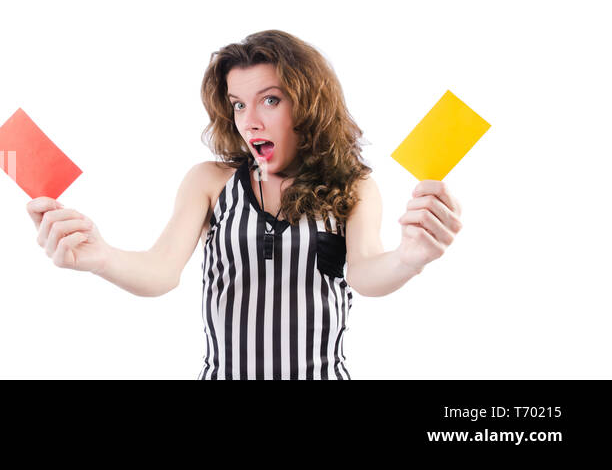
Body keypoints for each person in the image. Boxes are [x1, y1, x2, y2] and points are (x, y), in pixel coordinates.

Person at [25, 30, 462, 379]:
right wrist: (102, 258)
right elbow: (160, 271)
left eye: (270, 100)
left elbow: (366, 274)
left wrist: (410, 257)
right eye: (238, 104)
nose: (249, 121)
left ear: (309, 106)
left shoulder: (354, 187)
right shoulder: (209, 182)